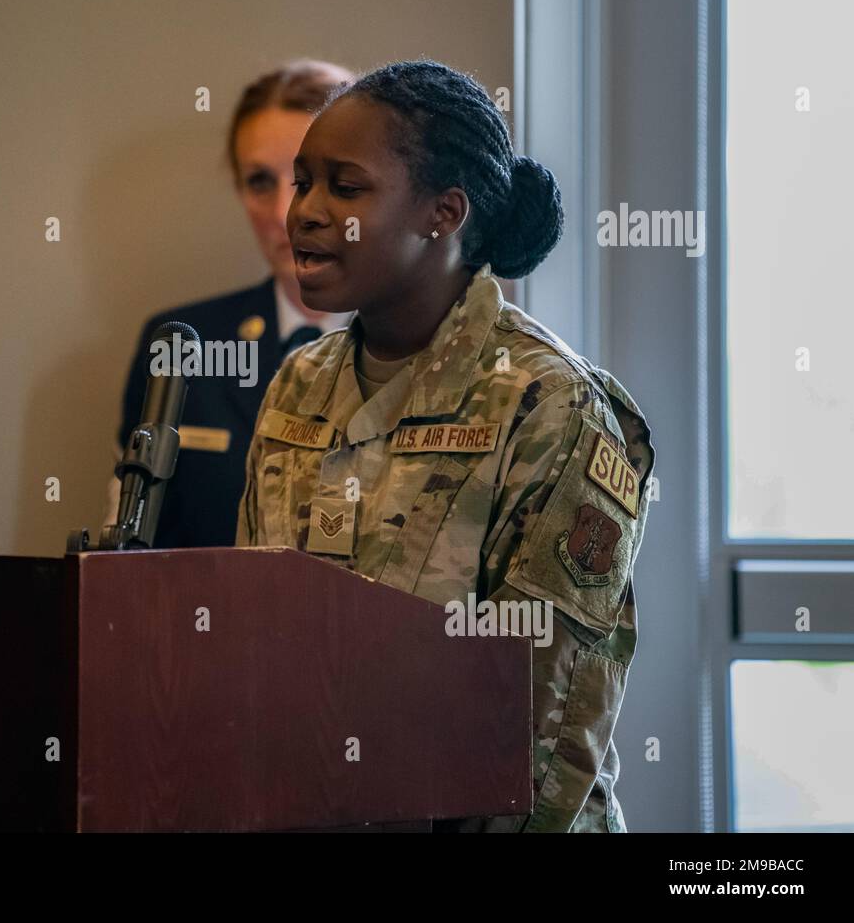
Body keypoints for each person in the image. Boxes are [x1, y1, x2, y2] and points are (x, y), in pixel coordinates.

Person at [235, 59, 656, 832]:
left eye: (346, 187)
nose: (306, 213)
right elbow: (255, 648)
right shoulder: (298, 384)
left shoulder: (550, 401)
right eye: (304, 182)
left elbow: (546, 734)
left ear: (443, 212)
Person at [113, 60, 355, 548]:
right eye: (261, 182)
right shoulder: (183, 344)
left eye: (308, 178)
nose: (287, 212)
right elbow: (128, 556)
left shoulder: (422, 347)